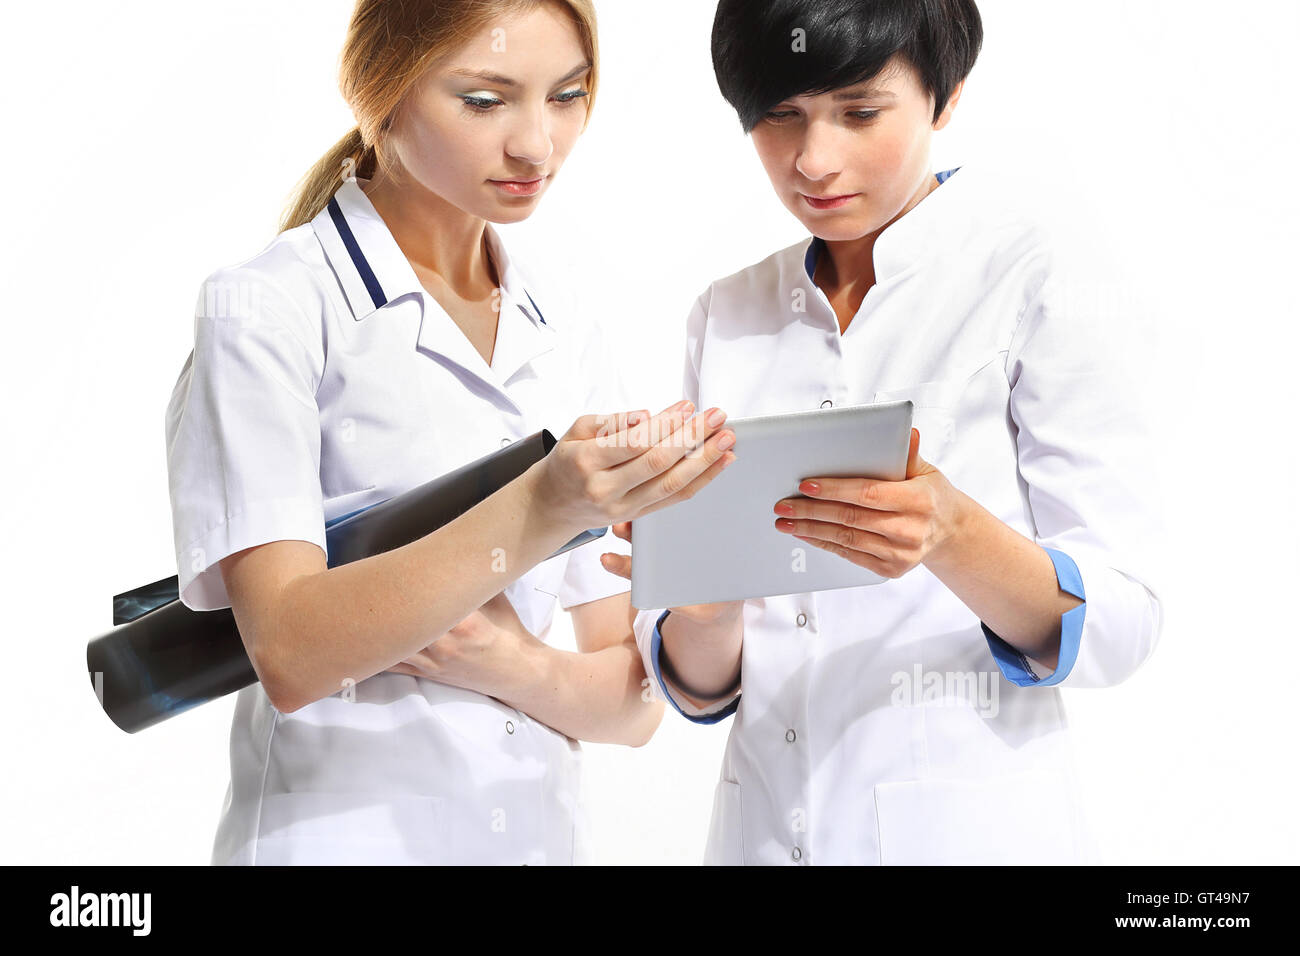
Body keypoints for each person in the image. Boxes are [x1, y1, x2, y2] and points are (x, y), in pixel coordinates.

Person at [164, 0, 736, 866]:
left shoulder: (562, 325)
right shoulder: (272, 306)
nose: (536, 145)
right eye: (484, 100)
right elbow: (289, 649)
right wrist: (544, 504)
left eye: (567, 96)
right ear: (381, 91)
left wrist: (505, 663)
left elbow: (632, 702)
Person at [602, 0, 1165, 865]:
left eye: (861, 112)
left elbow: (1124, 622)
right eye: (780, 116)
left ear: (946, 97)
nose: (814, 161)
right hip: (761, 832)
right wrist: (701, 597)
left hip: (969, 835)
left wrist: (953, 533)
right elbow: (702, 687)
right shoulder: (727, 313)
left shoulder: (1026, 276)